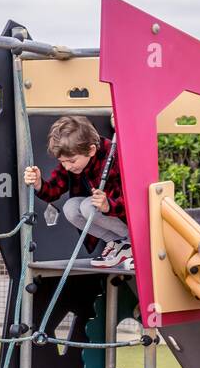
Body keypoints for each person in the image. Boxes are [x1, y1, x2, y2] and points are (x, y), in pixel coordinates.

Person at [23, 115, 132, 270]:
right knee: (71, 208)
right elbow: (54, 190)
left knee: (88, 206)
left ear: (91, 150)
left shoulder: (113, 156)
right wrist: (38, 183)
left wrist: (109, 206)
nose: (67, 167)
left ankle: (132, 242)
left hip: (127, 219)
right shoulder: (73, 159)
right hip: (106, 215)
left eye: (72, 161)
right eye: (62, 162)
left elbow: (132, 199)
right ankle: (117, 243)